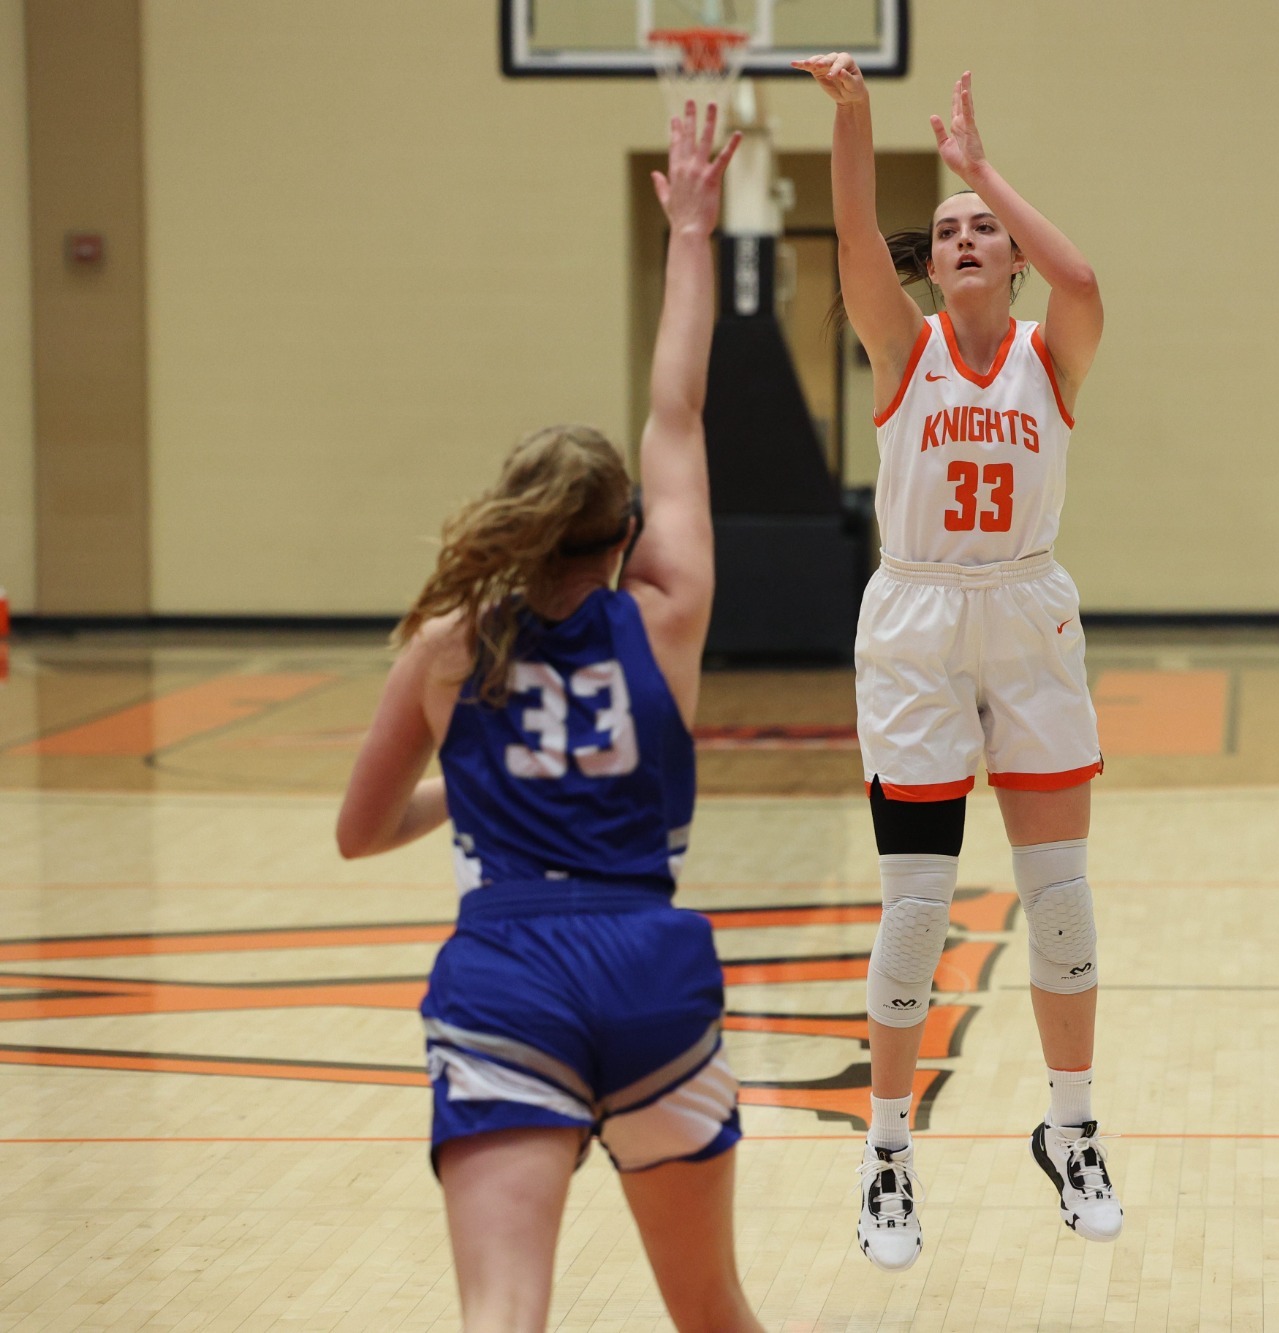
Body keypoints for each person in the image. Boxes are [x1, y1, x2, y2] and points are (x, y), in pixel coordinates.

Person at [335, 104, 762, 1333]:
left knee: (502, 1315)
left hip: (506, 974)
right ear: (624, 534)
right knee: (711, 1307)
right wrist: (689, 229)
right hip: (650, 965)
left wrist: (465, 794)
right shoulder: (666, 609)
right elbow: (676, 410)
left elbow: (359, 835)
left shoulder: (444, 647)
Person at [792, 54, 1120, 1271]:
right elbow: (851, 258)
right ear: (924, 264)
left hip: (1027, 618)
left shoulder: (1050, 353)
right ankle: (886, 1152)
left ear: (1013, 254)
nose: (969, 235)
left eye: (986, 227)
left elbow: (1082, 274)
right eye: (948, 227)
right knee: (919, 908)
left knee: (1062, 902)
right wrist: (857, 118)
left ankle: (1071, 1128)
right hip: (921, 628)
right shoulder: (902, 352)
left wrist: (983, 166)